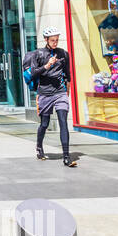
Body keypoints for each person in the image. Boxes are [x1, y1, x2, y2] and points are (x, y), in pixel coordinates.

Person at [30, 27, 77, 167]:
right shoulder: (38, 54)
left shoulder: (63, 53)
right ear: (46, 40)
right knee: (44, 124)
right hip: (44, 93)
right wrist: (47, 65)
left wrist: (67, 89)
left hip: (60, 92)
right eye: (52, 40)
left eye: (57, 40)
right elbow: (33, 73)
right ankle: (39, 146)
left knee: (63, 121)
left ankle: (66, 156)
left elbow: (67, 73)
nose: (55, 43)